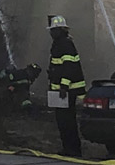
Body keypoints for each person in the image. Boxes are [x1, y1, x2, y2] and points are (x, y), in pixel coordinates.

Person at [47, 14, 85, 157]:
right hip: (61, 91)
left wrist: (63, 86)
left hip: (68, 91)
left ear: (60, 30)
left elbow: (69, 67)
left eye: (53, 30)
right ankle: (68, 148)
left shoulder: (65, 44)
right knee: (62, 121)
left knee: (67, 121)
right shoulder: (59, 43)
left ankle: (73, 150)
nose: (51, 33)